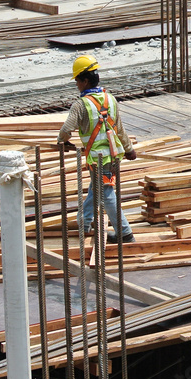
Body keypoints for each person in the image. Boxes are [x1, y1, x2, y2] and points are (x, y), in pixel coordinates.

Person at [57, 55, 138, 244]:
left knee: (106, 192)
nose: (76, 84)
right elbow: (119, 128)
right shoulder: (110, 99)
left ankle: (125, 233)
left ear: (85, 80)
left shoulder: (80, 105)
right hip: (113, 155)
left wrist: (62, 141)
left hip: (97, 158)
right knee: (97, 188)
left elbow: (67, 129)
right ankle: (84, 223)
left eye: (77, 80)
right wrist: (129, 149)